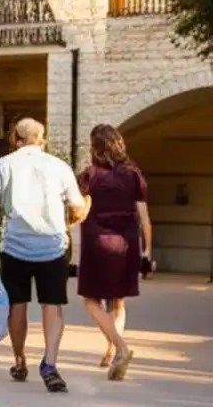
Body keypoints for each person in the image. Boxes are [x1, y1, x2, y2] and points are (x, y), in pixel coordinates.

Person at [0, 118, 87, 393]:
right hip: (53, 247)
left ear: (15, 138)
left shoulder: (4, 165)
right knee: (53, 305)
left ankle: (19, 359)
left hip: (15, 247)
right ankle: (49, 364)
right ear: (42, 139)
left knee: (18, 305)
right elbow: (77, 209)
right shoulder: (60, 167)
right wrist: (87, 206)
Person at [77, 124, 153, 381]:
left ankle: (120, 347)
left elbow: (79, 210)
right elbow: (144, 217)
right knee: (118, 300)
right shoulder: (134, 175)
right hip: (127, 242)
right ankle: (113, 348)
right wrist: (147, 251)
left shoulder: (90, 176)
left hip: (98, 241)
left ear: (95, 148)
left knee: (91, 301)